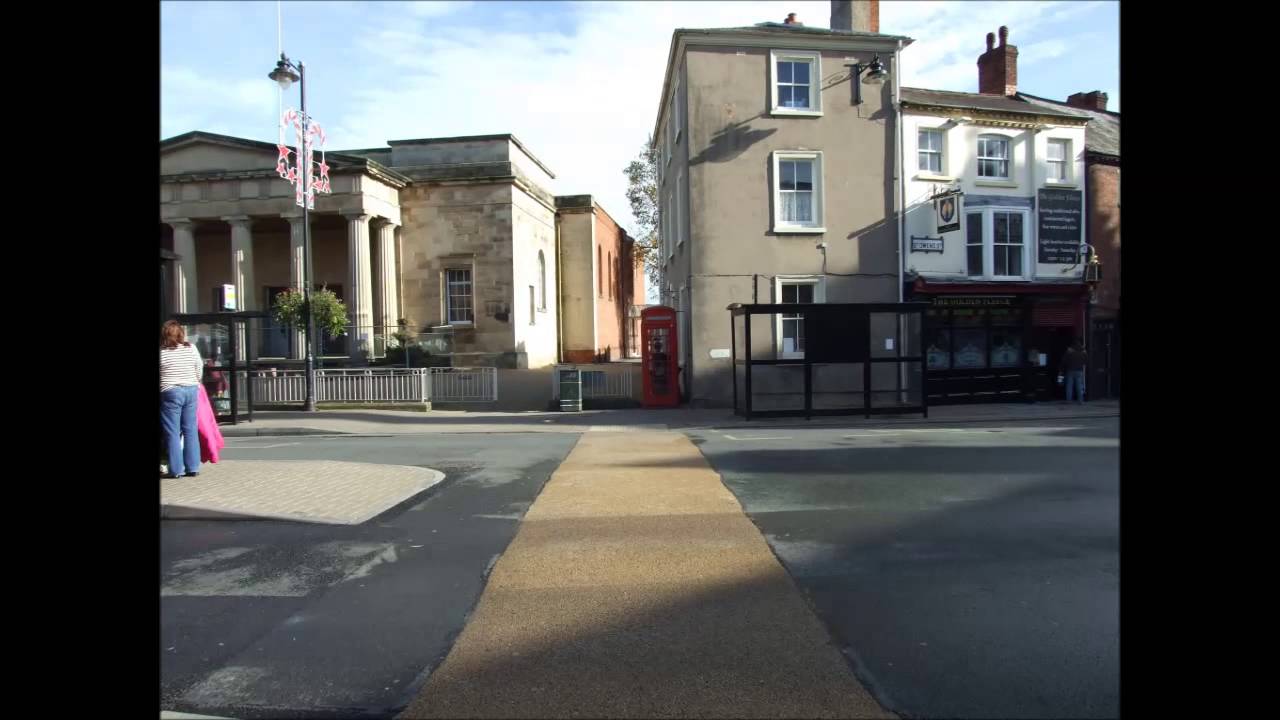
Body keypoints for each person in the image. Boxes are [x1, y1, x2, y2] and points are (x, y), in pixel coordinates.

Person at [160, 320, 204, 478]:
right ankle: (193, 467)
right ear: (181, 334)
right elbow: (199, 367)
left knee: (172, 431)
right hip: (191, 389)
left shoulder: (162, 351)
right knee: (190, 429)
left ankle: (176, 470)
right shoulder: (191, 348)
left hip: (170, 391)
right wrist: (196, 381)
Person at [1060, 338, 1088, 404]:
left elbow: (1064, 361)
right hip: (1079, 370)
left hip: (1070, 370)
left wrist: (1062, 368)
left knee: (1069, 386)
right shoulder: (1083, 351)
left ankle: (1069, 400)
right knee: (1079, 386)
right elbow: (1086, 360)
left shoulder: (1069, 351)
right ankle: (1080, 401)